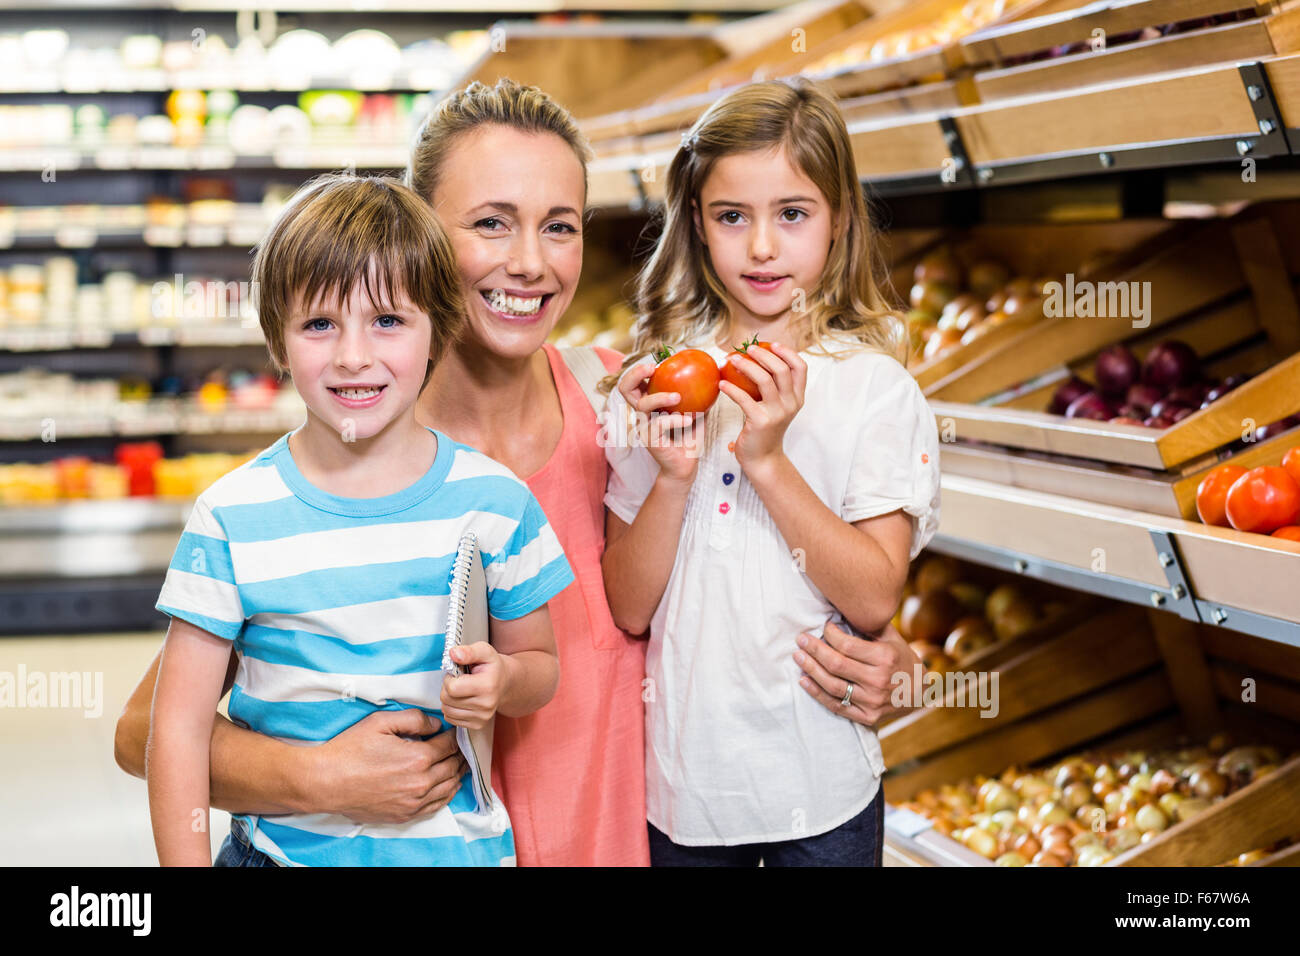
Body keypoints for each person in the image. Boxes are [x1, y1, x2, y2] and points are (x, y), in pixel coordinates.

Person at [115, 78, 923, 868]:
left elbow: (743, 574)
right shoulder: (357, 451)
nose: (530, 263)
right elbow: (143, 731)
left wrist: (891, 658)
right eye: (492, 224)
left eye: (560, 227)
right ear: (419, 232)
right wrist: (321, 774)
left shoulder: (636, 401)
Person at [146, 173, 571, 866]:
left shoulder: (496, 501)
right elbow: (177, 730)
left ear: (438, 329)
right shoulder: (231, 517)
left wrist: (503, 681)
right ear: (277, 342)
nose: (353, 356)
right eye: (319, 324)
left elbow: (540, 666)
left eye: (388, 320)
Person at [601, 77, 941, 866]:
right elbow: (628, 606)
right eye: (731, 217)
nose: (760, 247)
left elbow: (873, 594)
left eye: (792, 214)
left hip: (821, 787)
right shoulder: (653, 387)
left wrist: (766, 459)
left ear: (840, 220)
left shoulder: (874, 389)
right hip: (681, 794)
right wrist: (675, 475)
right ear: (697, 223)